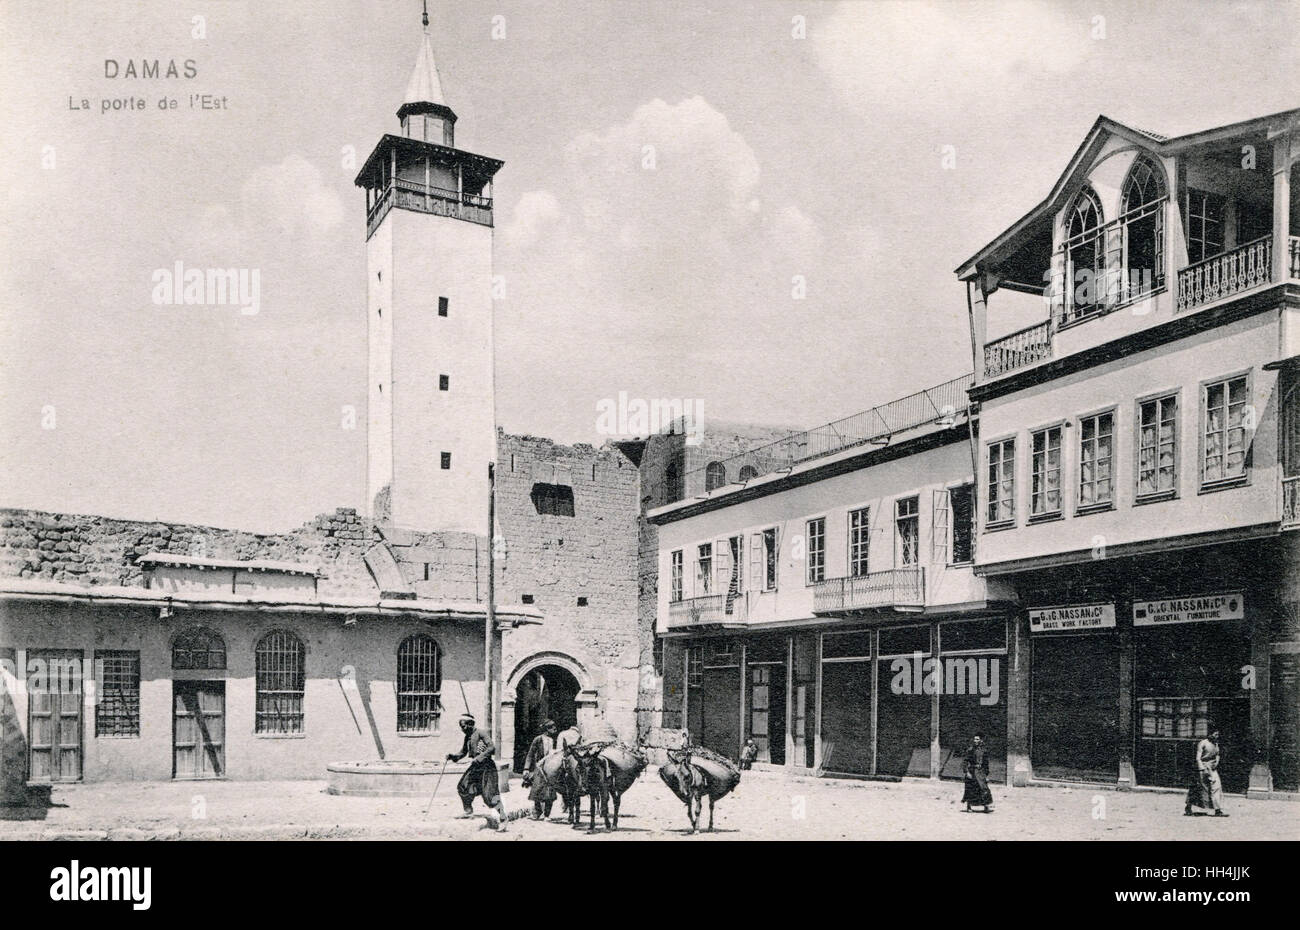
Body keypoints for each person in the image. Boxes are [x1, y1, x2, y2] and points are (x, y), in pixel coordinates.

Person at [446, 713, 508, 831]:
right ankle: (468, 811)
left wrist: (479, 758)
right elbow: (463, 752)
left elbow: (491, 748)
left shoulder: (481, 733)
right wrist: (453, 756)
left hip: (487, 768)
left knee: (490, 795)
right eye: (461, 726)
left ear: (470, 724)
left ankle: (503, 818)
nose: (462, 729)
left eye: (463, 726)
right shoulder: (467, 737)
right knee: (463, 786)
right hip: (475, 767)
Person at [1185, 726, 1228, 817]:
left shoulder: (1216, 744)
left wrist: (1216, 762)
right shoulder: (1203, 743)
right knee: (1198, 788)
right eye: (1215, 734)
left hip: (1212, 768)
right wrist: (1202, 769)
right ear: (1210, 734)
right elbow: (1198, 758)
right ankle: (1188, 807)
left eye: (1218, 735)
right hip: (1203, 768)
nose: (1217, 736)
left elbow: (1217, 754)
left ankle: (1218, 810)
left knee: (1217, 787)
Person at [522, 719, 560, 820]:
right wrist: (526, 768)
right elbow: (530, 754)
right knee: (537, 790)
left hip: (551, 768)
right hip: (539, 768)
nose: (554, 729)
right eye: (552, 727)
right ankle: (537, 813)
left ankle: (547, 814)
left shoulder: (554, 740)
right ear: (547, 729)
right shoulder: (538, 739)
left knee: (550, 791)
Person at [962, 733, 994, 813]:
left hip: (981, 772)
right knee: (971, 789)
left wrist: (986, 775)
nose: (975, 741)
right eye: (974, 739)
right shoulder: (970, 750)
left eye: (977, 739)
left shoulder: (984, 751)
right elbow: (965, 761)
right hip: (972, 771)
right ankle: (969, 806)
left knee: (984, 788)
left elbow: (986, 763)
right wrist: (966, 772)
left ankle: (986, 806)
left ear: (981, 740)